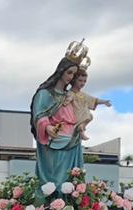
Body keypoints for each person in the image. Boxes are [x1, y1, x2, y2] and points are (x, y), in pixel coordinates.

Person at [31, 43, 87, 186]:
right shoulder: (45, 94)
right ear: (61, 70)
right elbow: (38, 114)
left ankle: (70, 199)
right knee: (53, 178)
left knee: (71, 179)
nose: (71, 77)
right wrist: (48, 127)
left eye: (74, 74)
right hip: (54, 141)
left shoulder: (71, 95)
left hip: (72, 141)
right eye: (69, 72)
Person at [66, 70, 111, 141]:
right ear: (74, 80)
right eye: (80, 80)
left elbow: (94, 100)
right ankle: (80, 130)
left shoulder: (83, 94)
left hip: (84, 114)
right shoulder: (70, 93)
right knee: (86, 115)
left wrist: (104, 102)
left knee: (90, 116)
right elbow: (68, 98)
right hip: (76, 114)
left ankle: (81, 127)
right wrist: (68, 99)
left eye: (84, 81)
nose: (82, 83)